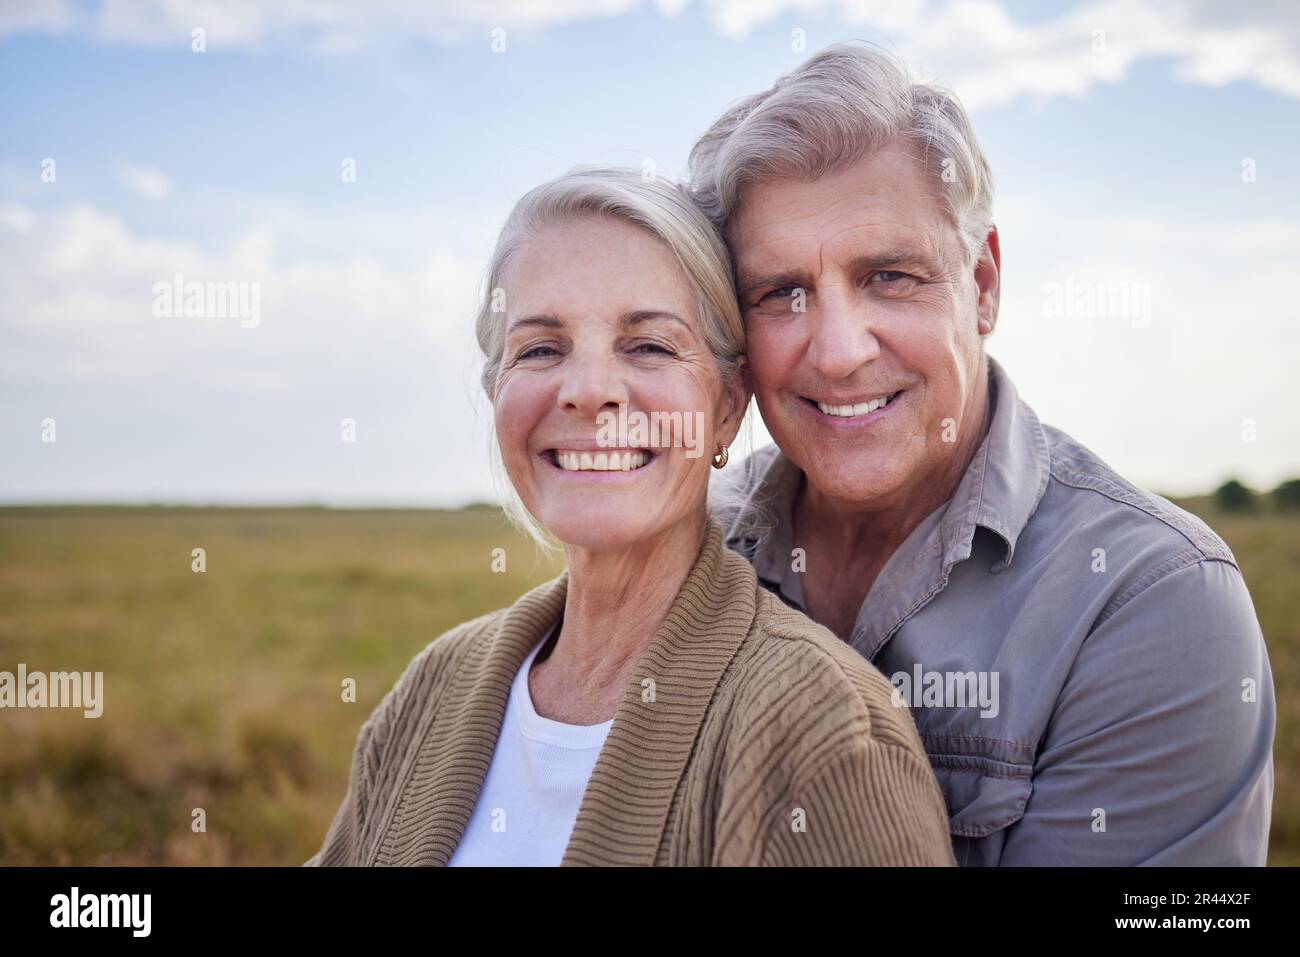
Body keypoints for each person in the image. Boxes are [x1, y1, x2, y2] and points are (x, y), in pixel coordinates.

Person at [687, 41, 1276, 865]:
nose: (840, 350)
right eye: (780, 293)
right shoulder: (685, 547)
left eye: (889, 275)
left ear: (985, 283)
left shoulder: (1156, 603)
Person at [304, 166, 955, 866]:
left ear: (728, 406)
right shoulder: (434, 689)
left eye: (648, 345)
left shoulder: (826, 733)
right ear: (496, 394)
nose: (588, 392)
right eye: (541, 349)